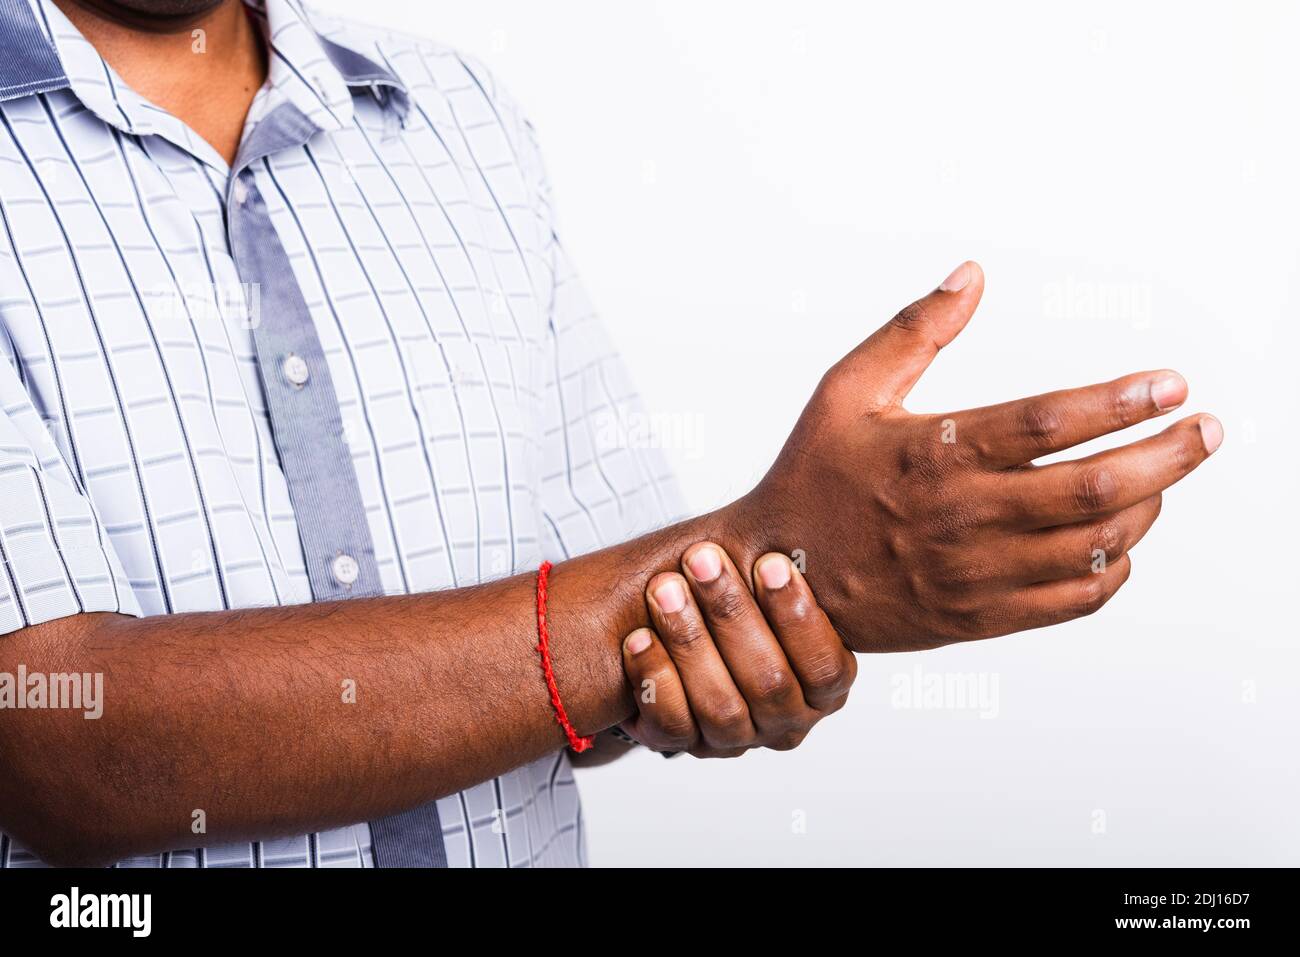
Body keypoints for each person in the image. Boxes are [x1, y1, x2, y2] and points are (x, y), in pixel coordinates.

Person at [0, 0, 1220, 868]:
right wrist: (785, 549)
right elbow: (62, 746)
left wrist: (742, 622)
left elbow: (621, 638)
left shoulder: (458, 117)